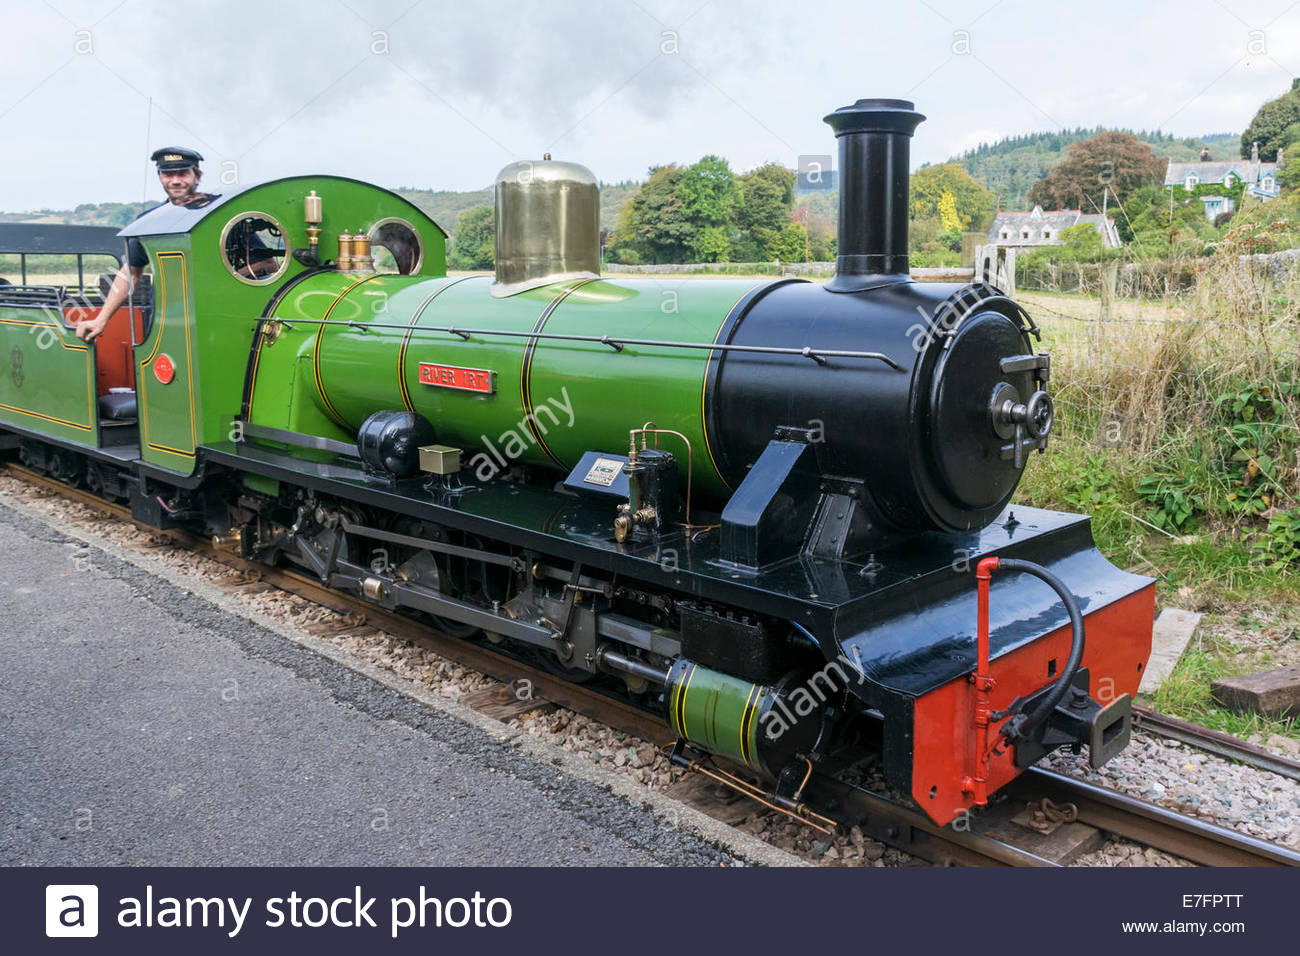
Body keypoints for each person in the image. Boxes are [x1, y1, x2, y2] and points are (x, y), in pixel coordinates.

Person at [76, 147, 217, 343]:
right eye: (168, 174)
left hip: (216, 314)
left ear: (197, 176)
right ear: (160, 176)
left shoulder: (218, 213)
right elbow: (130, 273)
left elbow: (266, 264)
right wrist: (101, 319)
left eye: (183, 173)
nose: (175, 180)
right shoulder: (150, 221)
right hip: (166, 319)